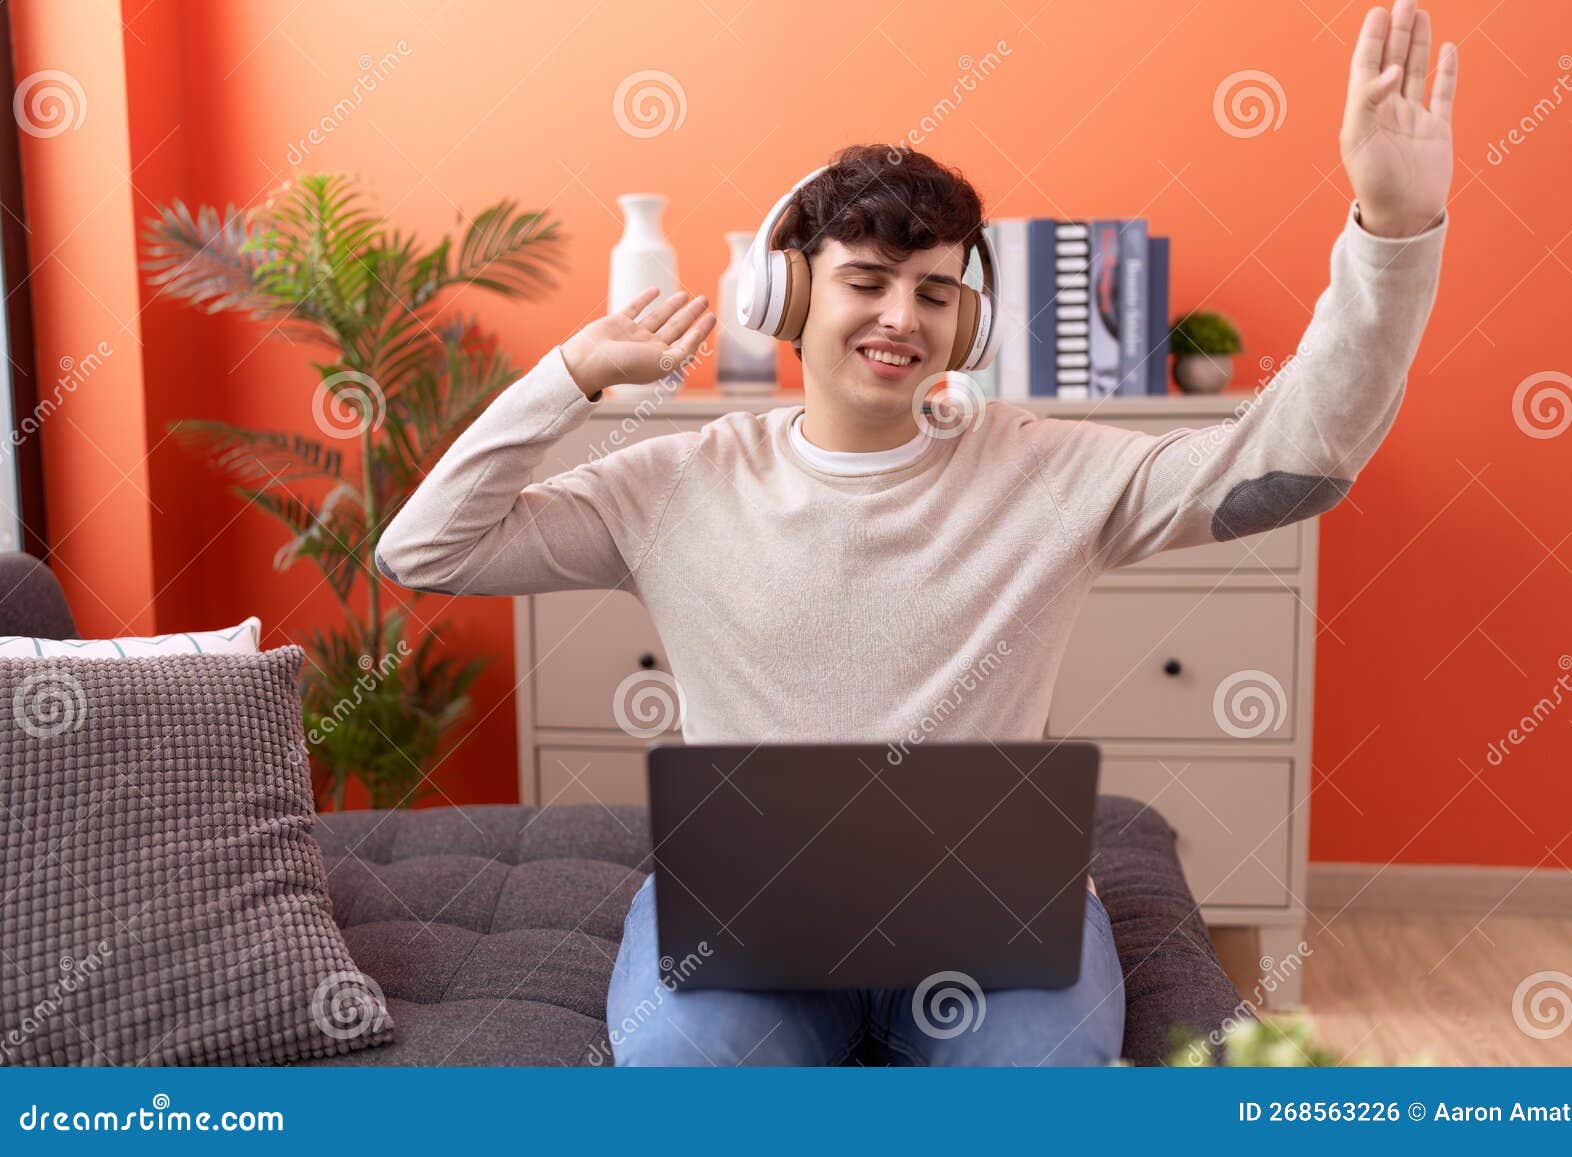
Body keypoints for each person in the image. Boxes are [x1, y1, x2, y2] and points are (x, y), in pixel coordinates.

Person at [376, 0, 1455, 1065]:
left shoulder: (1043, 465)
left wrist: (1391, 233)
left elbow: (1290, 470)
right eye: (866, 280)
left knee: (1041, 1081)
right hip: (748, 925)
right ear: (786, 294)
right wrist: (565, 380)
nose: (902, 316)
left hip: (996, 923)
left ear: (965, 322)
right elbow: (422, 551)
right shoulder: (675, 482)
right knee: (684, 1073)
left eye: (935, 291)